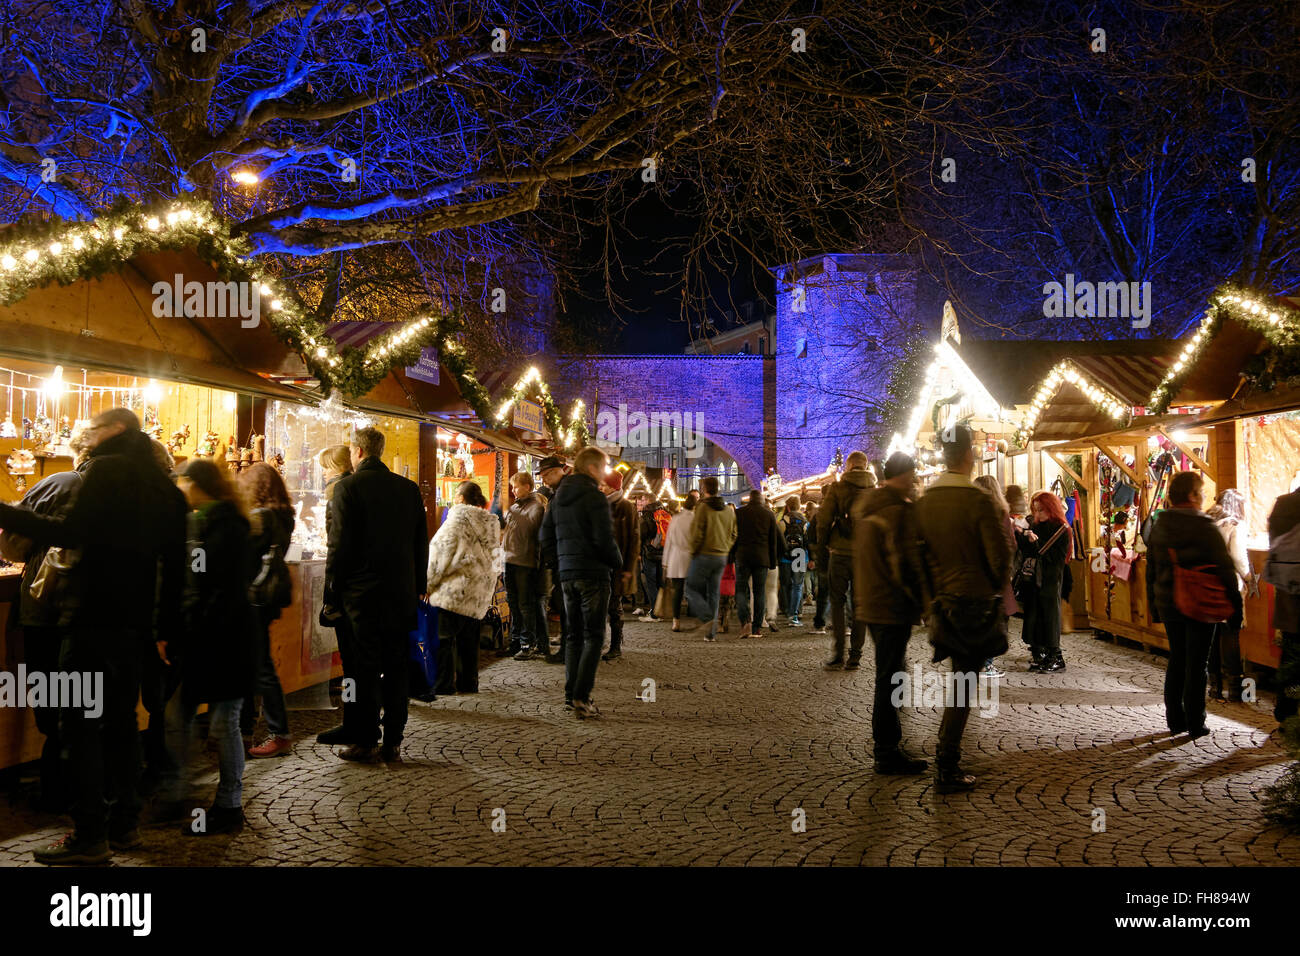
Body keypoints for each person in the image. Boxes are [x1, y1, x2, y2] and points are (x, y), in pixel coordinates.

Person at [0, 408, 185, 865]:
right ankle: (125, 824)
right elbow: (177, 567)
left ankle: (89, 835)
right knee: (121, 723)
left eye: (96, 429)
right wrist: (165, 631)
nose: (90, 435)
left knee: (77, 727)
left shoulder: (104, 471)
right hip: (136, 628)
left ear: (115, 431)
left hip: (89, 621)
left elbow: (71, 534)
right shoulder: (167, 488)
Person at [915, 424, 1012, 793]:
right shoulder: (977, 500)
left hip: (943, 603)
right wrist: (991, 589)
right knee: (963, 685)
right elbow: (999, 555)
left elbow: (918, 556)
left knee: (961, 680)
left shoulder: (926, 501)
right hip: (973, 603)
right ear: (969, 455)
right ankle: (946, 763)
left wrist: (931, 597)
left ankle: (946, 755)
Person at [325, 426, 428, 762]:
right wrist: (419, 587)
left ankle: (366, 739)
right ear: (379, 452)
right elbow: (419, 545)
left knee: (364, 668)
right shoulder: (408, 489)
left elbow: (338, 546)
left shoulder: (347, 488)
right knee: (396, 666)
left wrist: (332, 593)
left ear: (357, 451)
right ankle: (394, 739)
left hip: (361, 596)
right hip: (399, 594)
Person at [168, 458, 258, 836]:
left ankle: (227, 805)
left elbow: (206, 582)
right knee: (189, 717)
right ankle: (180, 793)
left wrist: (189, 623)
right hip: (225, 639)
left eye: (183, 482)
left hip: (221, 640)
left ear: (196, 484)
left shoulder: (214, 527)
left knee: (220, 723)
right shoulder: (223, 522)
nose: (179, 488)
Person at [0, 441, 89, 812]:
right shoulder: (134, 488)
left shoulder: (60, 483)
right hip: (92, 613)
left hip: (44, 606)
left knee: (50, 701)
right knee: (81, 700)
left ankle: (56, 791)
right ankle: (77, 790)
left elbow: (13, 546)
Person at [1145, 471, 1242, 738]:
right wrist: (1236, 608)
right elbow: (1225, 568)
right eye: (1200, 492)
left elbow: (1150, 569)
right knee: (1197, 663)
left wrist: (1155, 605)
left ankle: (1175, 719)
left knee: (1177, 659)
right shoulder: (1204, 526)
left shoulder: (1160, 525)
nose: (1203, 498)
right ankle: (1196, 721)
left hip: (1169, 602)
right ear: (1191, 495)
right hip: (1200, 601)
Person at [853, 451, 928, 774]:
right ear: (901, 476)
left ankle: (889, 743)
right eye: (911, 475)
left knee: (892, 673)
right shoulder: (896, 512)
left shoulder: (869, 508)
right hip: (891, 605)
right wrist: (921, 601)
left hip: (871, 604)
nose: (914, 481)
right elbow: (904, 564)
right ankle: (886, 749)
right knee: (891, 677)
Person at [540, 446, 623, 717]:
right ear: (591, 468)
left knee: (572, 636)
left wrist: (559, 563)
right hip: (593, 574)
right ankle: (581, 697)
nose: (604, 474)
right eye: (602, 467)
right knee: (594, 636)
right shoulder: (594, 498)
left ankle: (569, 695)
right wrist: (617, 561)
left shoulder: (557, 497)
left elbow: (545, 536)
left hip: (567, 575)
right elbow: (603, 539)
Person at [239, 463, 296, 758]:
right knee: (255, 664)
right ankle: (246, 730)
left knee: (260, 666)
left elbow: (242, 557)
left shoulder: (260, 517)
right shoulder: (283, 517)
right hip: (268, 598)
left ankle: (278, 731)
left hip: (254, 597)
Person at [428, 480, 505, 695]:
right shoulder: (491, 523)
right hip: (477, 595)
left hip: (453, 591)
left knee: (444, 640)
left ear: (460, 498)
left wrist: (428, 584)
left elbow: (440, 554)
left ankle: (443, 685)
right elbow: (498, 559)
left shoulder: (457, 520)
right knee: (469, 642)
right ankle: (468, 683)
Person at [817, 452, 877, 669]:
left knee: (837, 601)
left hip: (840, 552)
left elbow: (823, 520)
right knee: (860, 604)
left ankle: (838, 653)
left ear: (849, 466)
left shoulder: (838, 488)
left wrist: (822, 549)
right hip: (864, 555)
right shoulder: (874, 490)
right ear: (866, 466)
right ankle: (856, 655)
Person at [315, 445, 357, 742]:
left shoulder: (338, 492)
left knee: (351, 664)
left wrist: (331, 593)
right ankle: (359, 718)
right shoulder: (357, 490)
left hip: (347, 592)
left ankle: (353, 722)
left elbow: (337, 547)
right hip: (367, 591)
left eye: (326, 466)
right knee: (359, 663)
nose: (323, 472)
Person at [1018, 491, 1073, 673]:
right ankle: (1039, 651)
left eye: (1041, 510)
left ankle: (1055, 656)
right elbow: (1028, 553)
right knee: (1035, 615)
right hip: (1034, 580)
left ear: (1051, 509)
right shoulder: (1036, 525)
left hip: (1050, 579)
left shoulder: (1061, 529)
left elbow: (1053, 558)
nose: (1038, 514)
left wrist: (1034, 543)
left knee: (1050, 616)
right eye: (1035, 510)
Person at [679, 476, 738, 641]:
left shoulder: (703, 508)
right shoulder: (728, 510)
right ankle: (710, 634)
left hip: (704, 554)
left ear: (704, 489)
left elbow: (697, 532)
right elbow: (734, 534)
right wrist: (726, 547)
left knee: (690, 589)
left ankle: (707, 618)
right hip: (722, 556)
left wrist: (693, 551)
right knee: (714, 593)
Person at [1207, 489, 1250, 702]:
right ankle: (1235, 687)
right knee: (1231, 634)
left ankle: (1214, 686)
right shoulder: (1234, 526)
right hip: (1228, 584)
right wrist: (1249, 577)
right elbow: (1238, 557)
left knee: (1213, 636)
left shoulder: (1208, 523)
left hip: (1207, 584)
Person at [973, 474, 1017, 679]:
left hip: (974, 577)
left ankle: (978, 663)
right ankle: (987, 664)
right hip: (995, 578)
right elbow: (1009, 547)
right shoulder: (1002, 517)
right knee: (995, 620)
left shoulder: (969, 515)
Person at [502, 471, 548, 661]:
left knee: (525, 604)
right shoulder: (515, 507)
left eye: (516, 486)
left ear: (527, 486)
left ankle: (527, 643)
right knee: (513, 603)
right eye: (512, 487)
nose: (513, 490)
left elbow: (529, 528)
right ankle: (515, 642)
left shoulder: (536, 507)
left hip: (525, 562)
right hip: (509, 560)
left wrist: (509, 511)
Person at [1267, 482, 1300, 726]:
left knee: (1290, 655)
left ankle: (1286, 710)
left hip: (1288, 594)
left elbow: (1273, 546)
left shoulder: (1282, 504)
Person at [602, 470, 640, 661]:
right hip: (600, 563)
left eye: (605, 485)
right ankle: (600, 642)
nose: (601, 487)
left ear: (614, 487)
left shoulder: (625, 506)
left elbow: (633, 540)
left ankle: (616, 645)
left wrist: (628, 568)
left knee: (614, 606)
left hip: (617, 564)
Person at [734, 488, 781, 639]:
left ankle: (745, 621)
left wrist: (732, 555)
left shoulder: (739, 513)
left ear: (749, 499)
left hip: (743, 557)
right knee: (759, 592)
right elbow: (773, 541)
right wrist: (773, 562)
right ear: (761, 500)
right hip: (762, 558)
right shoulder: (769, 514)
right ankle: (756, 628)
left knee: (741, 590)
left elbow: (733, 536)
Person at [536, 455, 569, 663]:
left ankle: (568, 651)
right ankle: (568, 649)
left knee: (566, 606)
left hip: (565, 559)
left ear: (559, 470)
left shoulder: (564, 493)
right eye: (542, 475)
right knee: (565, 606)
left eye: (547, 474)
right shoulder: (558, 493)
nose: (544, 479)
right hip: (562, 558)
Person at [663, 495, 696, 630]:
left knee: (677, 590)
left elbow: (669, 541)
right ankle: (695, 615)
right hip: (691, 557)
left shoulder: (676, 519)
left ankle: (676, 620)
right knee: (693, 589)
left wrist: (665, 562)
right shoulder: (695, 519)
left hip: (675, 557)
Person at [638, 498, 670, 622]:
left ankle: (655, 613)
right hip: (663, 552)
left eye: (643, 500)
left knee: (651, 583)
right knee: (660, 582)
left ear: (648, 501)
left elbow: (641, 535)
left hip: (649, 553)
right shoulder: (665, 513)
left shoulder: (646, 516)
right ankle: (662, 609)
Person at [779, 497, 809, 626]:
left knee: (785, 584)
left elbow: (779, 541)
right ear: (799, 506)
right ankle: (794, 615)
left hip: (785, 557)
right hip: (801, 556)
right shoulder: (805, 522)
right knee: (798, 586)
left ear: (788, 507)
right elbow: (808, 542)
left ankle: (786, 610)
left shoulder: (782, 521)